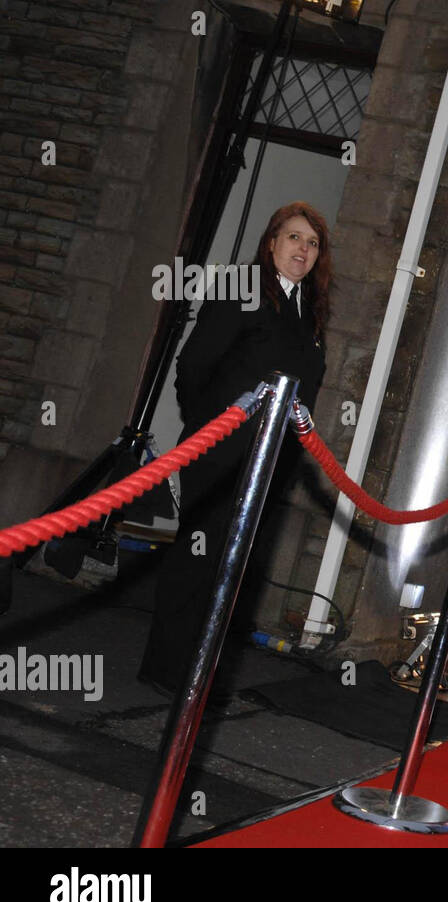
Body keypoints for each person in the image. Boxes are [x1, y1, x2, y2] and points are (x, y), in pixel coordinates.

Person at [139, 202, 332, 699]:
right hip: (219, 454)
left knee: (237, 566)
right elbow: (193, 365)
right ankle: (166, 667)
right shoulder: (242, 288)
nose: (302, 250)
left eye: (311, 243)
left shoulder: (308, 311)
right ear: (271, 243)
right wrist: (208, 429)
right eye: (293, 238)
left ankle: (203, 671)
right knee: (199, 555)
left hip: (269, 462)